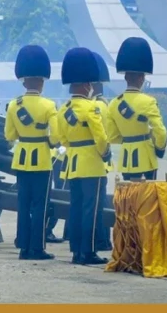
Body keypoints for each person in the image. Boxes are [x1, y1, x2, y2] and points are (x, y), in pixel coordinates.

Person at [56, 47, 111, 266]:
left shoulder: (63, 109)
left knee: (76, 209)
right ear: (87, 85)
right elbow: (101, 138)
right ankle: (88, 251)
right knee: (92, 210)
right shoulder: (91, 108)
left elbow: (62, 138)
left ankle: (76, 250)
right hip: (91, 164)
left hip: (73, 164)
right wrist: (105, 154)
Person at [4, 44, 59, 260]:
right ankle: (37, 248)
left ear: (24, 81)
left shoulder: (13, 105)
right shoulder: (48, 105)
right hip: (42, 160)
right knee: (40, 206)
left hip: (21, 159)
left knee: (23, 204)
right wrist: (49, 141)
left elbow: (9, 135)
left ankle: (23, 246)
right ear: (42, 81)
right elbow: (55, 137)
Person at [106, 37, 167, 181]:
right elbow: (161, 131)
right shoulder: (148, 101)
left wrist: (128, 138)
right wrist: (159, 148)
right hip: (146, 157)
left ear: (126, 78)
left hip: (126, 159)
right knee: (148, 194)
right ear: (141, 78)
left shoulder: (114, 103)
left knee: (129, 194)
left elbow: (112, 136)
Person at [90, 52, 115, 253]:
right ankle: (103, 238)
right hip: (101, 156)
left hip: (95, 157)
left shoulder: (95, 106)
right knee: (100, 200)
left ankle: (101, 238)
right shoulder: (103, 103)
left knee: (96, 203)